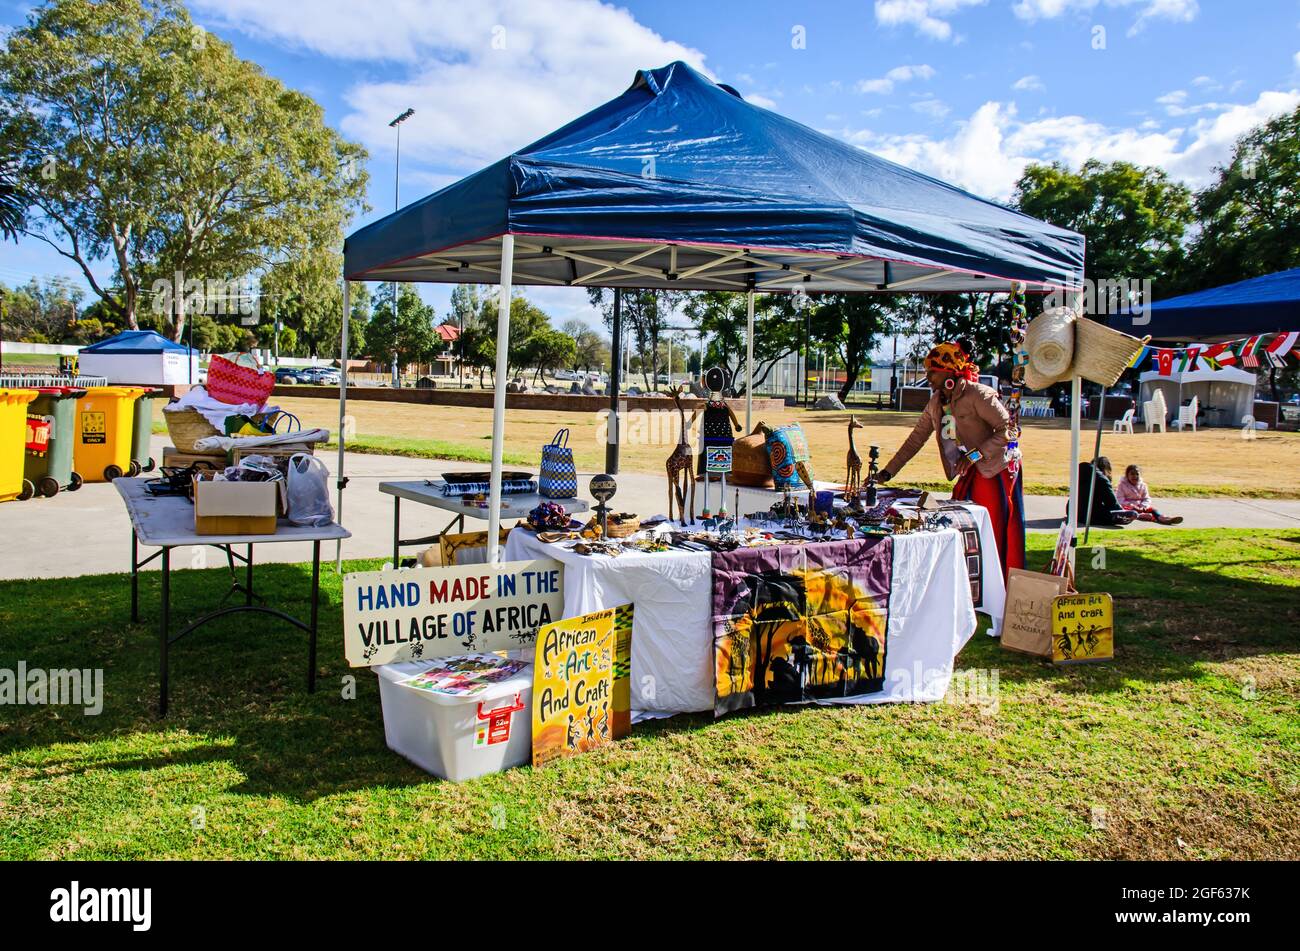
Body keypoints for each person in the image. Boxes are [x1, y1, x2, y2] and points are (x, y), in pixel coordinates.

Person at [878, 339, 1025, 580]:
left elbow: (1009, 430)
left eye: (932, 373)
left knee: (992, 528)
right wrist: (888, 472)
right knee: (963, 525)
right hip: (970, 470)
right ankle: (970, 580)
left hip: (995, 468)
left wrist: (974, 455)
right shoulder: (936, 402)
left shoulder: (978, 394)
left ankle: (997, 583)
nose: (928, 378)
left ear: (949, 373)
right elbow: (916, 439)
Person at [1076, 457, 1137, 527]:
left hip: (1075, 513)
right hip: (1091, 516)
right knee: (1132, 514)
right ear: (1107, 469)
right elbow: (1112, 504)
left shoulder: (1081, 475)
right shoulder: (1102, 480)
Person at [1117, 464, 1183, 525]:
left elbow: (1146, 498)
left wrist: (1143, 506)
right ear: (1127, 475)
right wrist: (1132, 506)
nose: (1135, 476)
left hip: (1141, 507)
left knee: (1153, 510)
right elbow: (1120, 499)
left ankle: (1165, 518)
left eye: (1137, 474)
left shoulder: (1143, 485)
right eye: (1132, 474)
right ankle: (1141, 516)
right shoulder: (1122, 485)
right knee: (1131, 512)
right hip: (1128, 507)